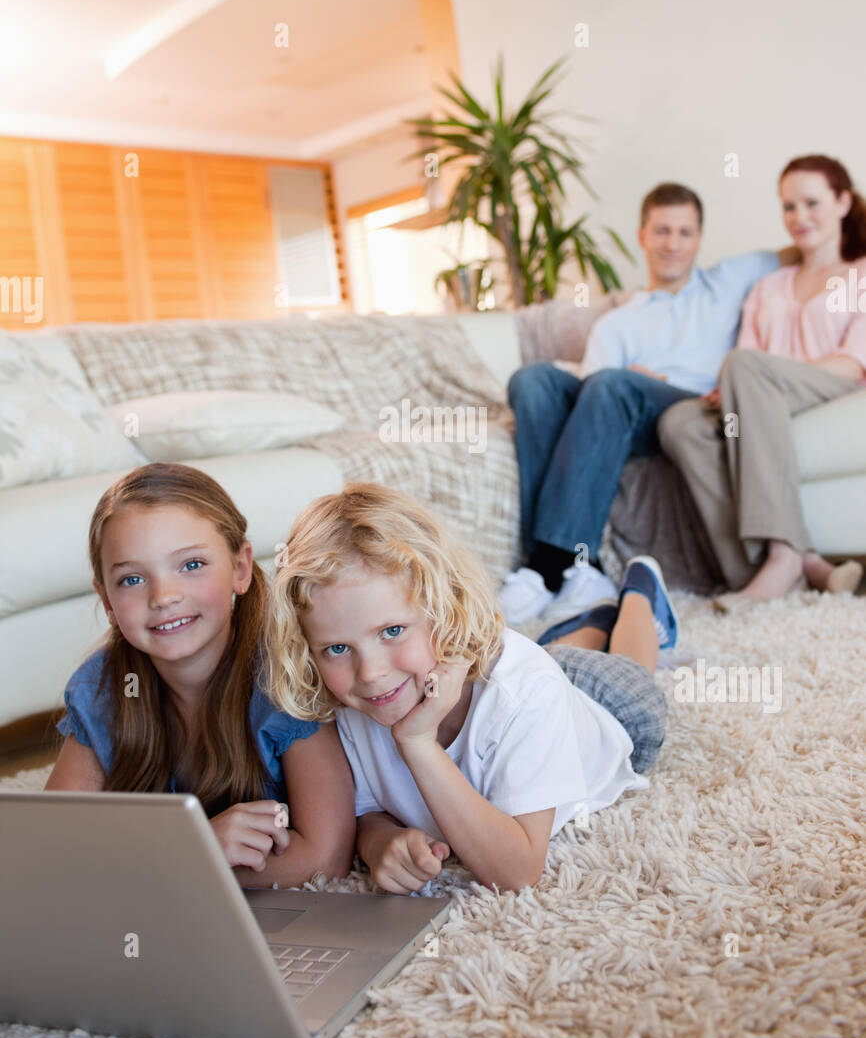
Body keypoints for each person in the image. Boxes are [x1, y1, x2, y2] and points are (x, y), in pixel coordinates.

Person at [262, 482, 673, 894]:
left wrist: (419, 744)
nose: (369, 672)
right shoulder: (358, 700)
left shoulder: (526, 690)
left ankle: (637, 596)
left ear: (444, 610)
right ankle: (593, 621)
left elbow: (516, 871)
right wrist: (379, 842)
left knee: (631, 670)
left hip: (605, 704)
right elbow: (368, 809)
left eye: (392, 630)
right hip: (529, 670)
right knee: (551, 655)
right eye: (336, 648)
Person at [501, 182, 798, 628]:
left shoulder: (730, 279)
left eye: (684, 232)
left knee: (612, 384)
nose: (673, 244)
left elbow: (809, 247)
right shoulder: (617, 323)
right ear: (642, 236)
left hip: (694, 406)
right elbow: (581, 412)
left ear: (699, 237)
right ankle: (578, 570)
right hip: (625, 413)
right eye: (662, 231)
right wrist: (627, 382)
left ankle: (546, 565)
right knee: (533, 380)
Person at [46, 463, 356, 888]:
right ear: (107, 601)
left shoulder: (284, 673)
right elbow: (49, 848)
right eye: (132, 578)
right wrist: (196, 850)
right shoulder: (104, 687)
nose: (164, 596)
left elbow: (326, 859)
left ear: (241, 569)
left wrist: (155, 869)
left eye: (191, 565)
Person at [658, 155, 866, 609]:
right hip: (760, 396)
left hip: (832, 389)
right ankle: (768, 569)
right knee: (679, 421)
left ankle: (784, 555)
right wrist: (734, 389)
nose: (799, 217)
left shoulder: (860, 273)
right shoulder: (769, 285)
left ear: (843, 202)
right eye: (788, 206)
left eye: (811, 203)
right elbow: (744, 359)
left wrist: (755, 378)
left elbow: (853, 364)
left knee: (747, 367)